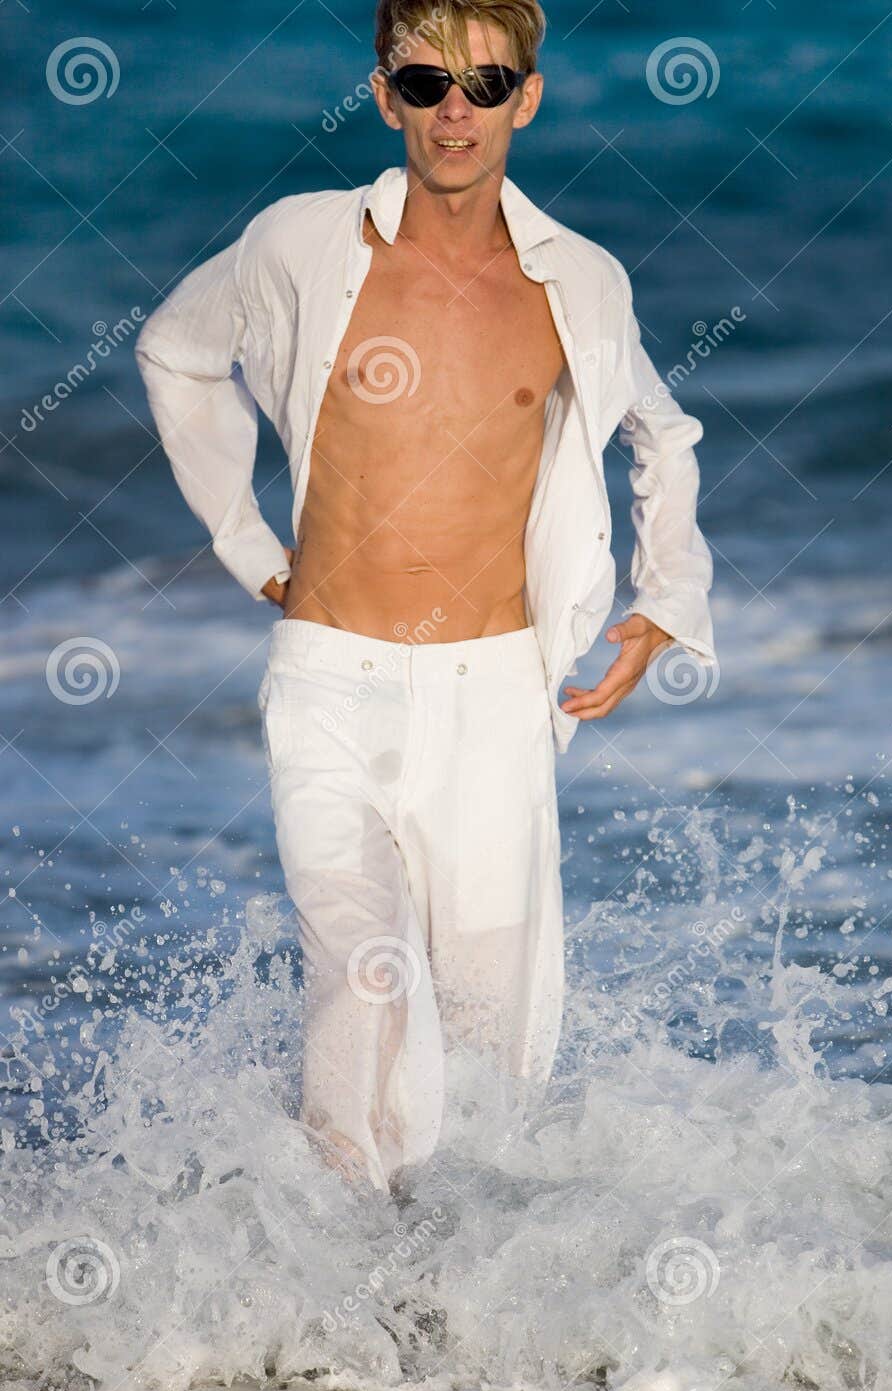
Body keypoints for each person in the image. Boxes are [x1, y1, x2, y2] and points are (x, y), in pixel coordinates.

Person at [135, 0, 715, 1195]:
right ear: (384, 91)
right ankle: (330, 1316)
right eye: (426, 80)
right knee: (359, 973)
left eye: (487, 84)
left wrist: (663, 605)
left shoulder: (580, 286)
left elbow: (663, 431)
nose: (457, 110)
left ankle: (452, 1327)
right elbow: (175, 349)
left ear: (529, 99)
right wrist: (248, 543)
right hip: (329, 679)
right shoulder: (299, 241)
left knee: (485, 1033)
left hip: (493, 697)